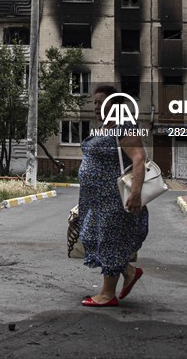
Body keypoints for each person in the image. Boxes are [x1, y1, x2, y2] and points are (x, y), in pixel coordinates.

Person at [77, 84, 148, 307]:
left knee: (109, 242)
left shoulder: (123, 125)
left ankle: (108, 295)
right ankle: (128, 271)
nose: (96, 106)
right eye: (95, 102)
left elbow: (139, 158)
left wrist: (135, 194)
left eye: (101, 102)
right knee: (89, 237)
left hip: (114, 200)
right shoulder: (106, 128)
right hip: (97, 201)